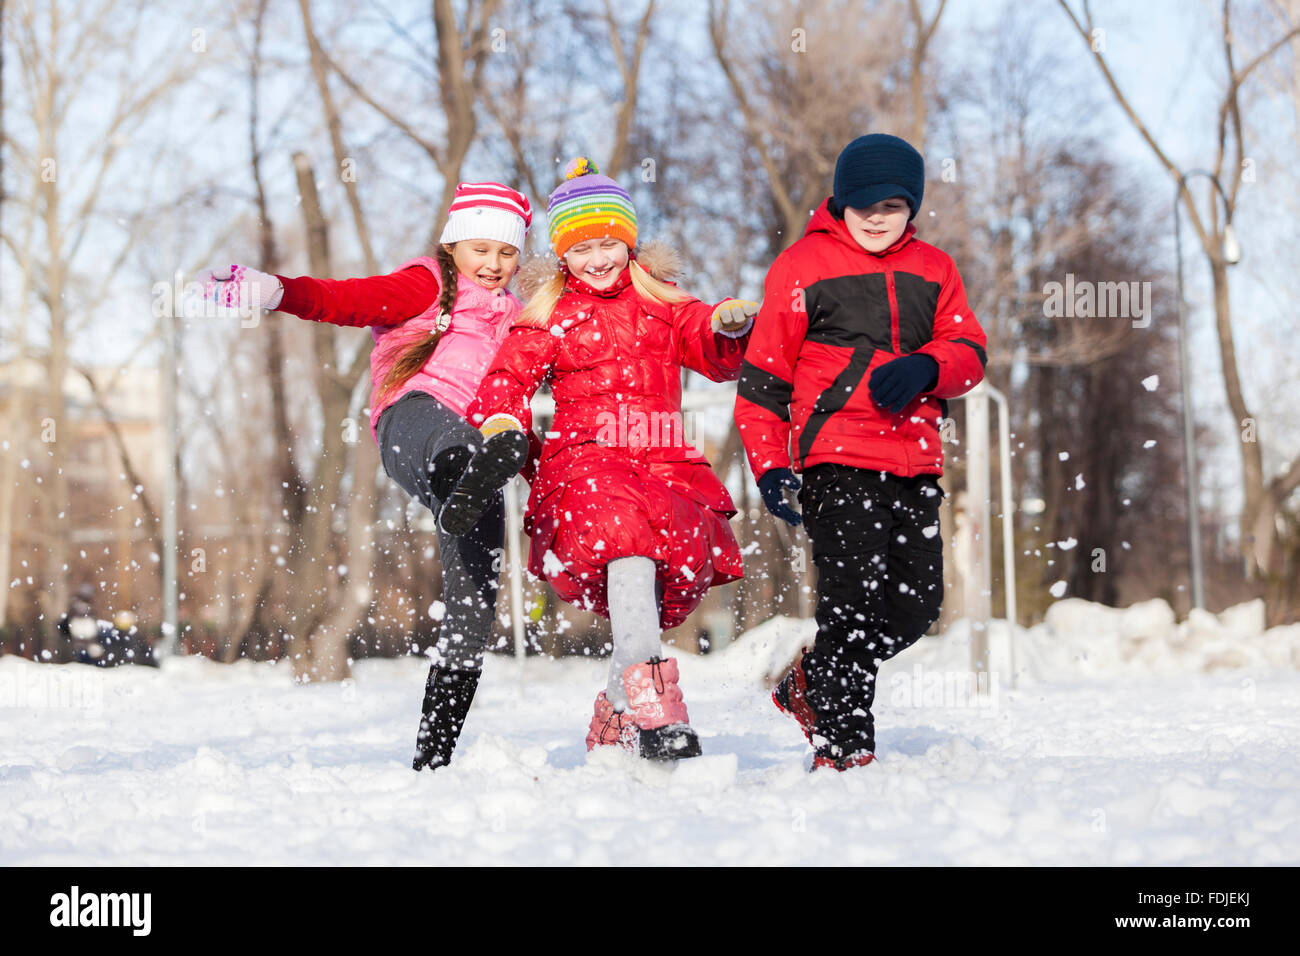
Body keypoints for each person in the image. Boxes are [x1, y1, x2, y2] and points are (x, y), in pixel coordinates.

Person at [198, 182, 537, 772]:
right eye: (481, 249)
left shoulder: (519, 316)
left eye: (507, 253)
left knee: (473, 612)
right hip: (413, 420)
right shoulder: (429, 283)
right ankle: (464, 472)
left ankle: (433, 759)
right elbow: (351, 299)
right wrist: (278, 291)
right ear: (453, 245)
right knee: (454, 441)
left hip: (483, 456)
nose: (494, 265)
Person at [448, 158, 758, 760]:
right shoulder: (551, 314)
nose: (598, 258)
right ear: (565, 254)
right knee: (625, 539)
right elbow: (508, 375)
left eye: (609, 243)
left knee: (670, 566)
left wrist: (727, 325)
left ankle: (616, 712)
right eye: (583, 246)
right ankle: (656, 706)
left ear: (629, 241)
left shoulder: (662, 302)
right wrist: (504, 418)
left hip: (662, 452)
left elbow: (709, 346)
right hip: (588, 456)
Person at [735, 134, 988, 771]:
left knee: (915, 605)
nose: (878, 217)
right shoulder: (802, 266)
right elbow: (764, 380)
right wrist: (770, 466)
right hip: (835, 458)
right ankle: (845, 746)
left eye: (894, 205)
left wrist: (928, 366)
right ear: (841, 202)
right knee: (849, 603)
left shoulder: (936, 268)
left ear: (913, 208)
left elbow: (971, 352)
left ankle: (811, 678)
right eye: (864, 204)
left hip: (915, 462)